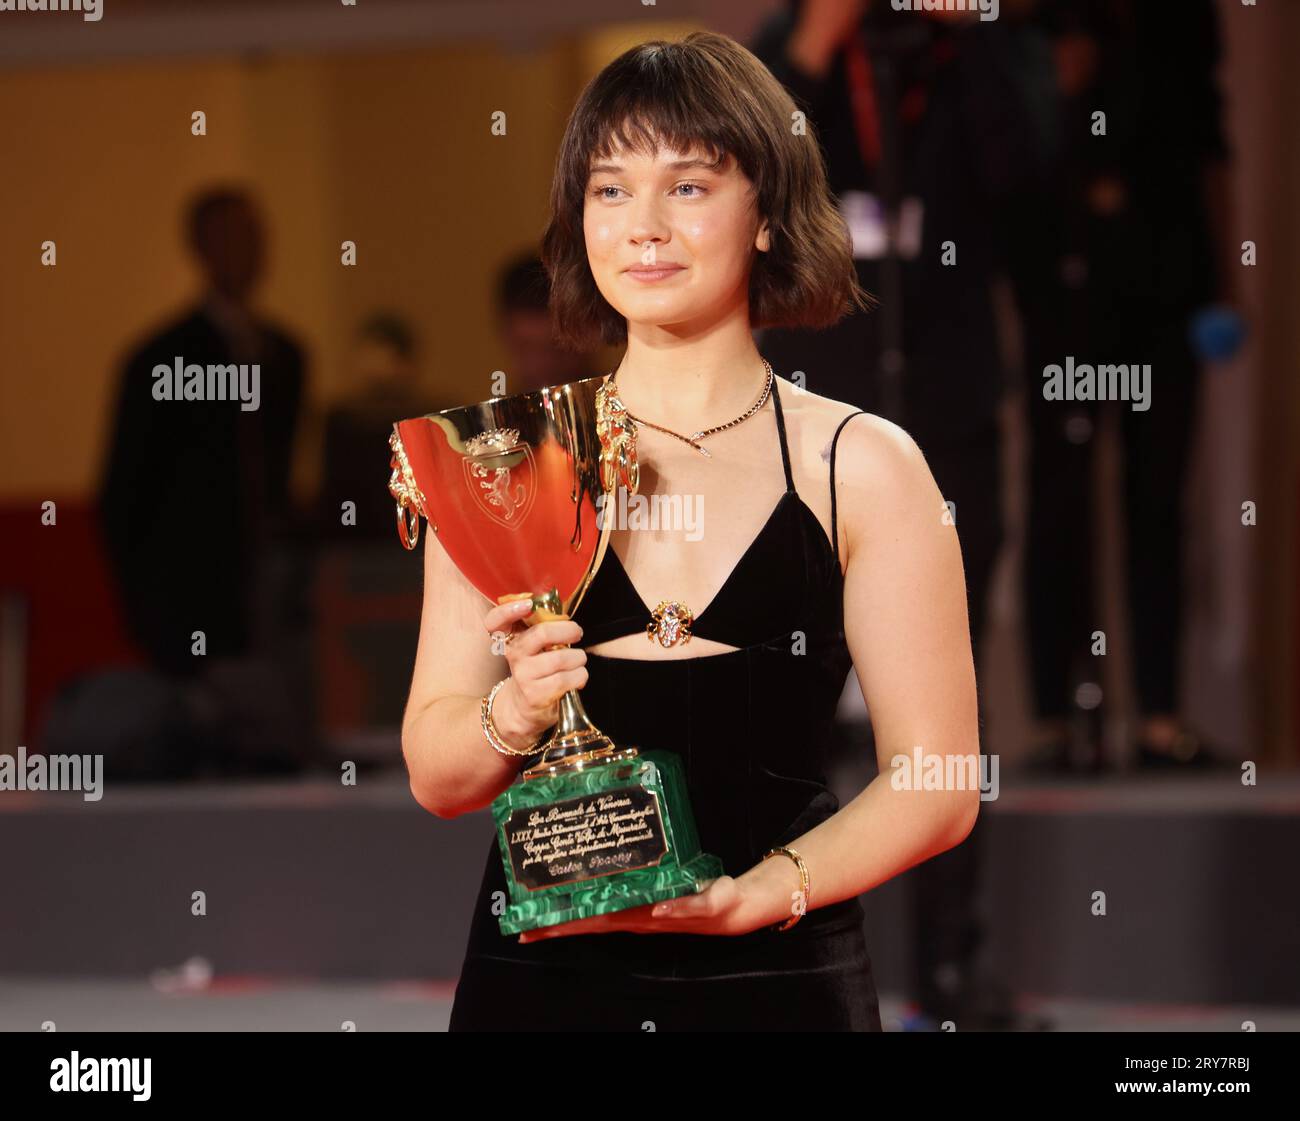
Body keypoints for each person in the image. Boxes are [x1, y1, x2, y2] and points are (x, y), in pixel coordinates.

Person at [401, 31, 980, 1031]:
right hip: (540, 984)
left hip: (782, 976)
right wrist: (515, 715)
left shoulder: (865, 465)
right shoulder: (503, 458)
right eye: (611, 189)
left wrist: (768, 890)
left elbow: (937, 781)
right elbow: (437, 772)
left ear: (765, 214)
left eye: (690, 186)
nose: (644, 227)